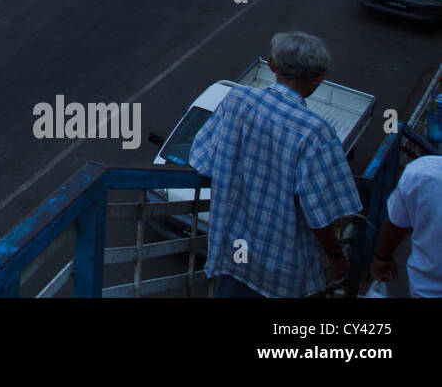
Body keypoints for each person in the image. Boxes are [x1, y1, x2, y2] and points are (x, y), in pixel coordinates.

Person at [189, 31, 362, 298]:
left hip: (234, 250)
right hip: (282, 270)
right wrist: (336, 256)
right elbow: (320, 215)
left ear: (271, 64)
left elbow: (202, 159)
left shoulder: (236, 101)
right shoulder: (316, 132)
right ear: (321, 76)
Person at [370, 154, 442, 297]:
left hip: (426, 288)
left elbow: (396, 224)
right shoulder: (422, 173)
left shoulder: (422, 172)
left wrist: (383, 258)